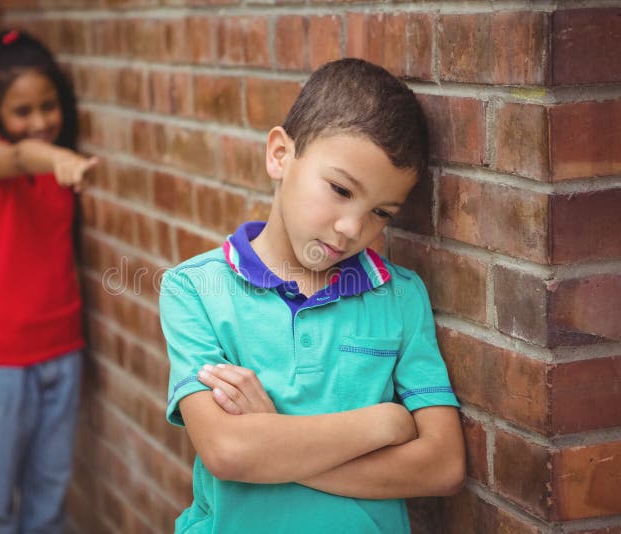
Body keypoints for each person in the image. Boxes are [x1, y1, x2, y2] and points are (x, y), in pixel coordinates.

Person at [159, 58, 465, 533]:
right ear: (280, 154)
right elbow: (228, 451)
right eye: (341, 189)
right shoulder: (195, 288)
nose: (352, 227)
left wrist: (271, 439)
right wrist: (383, 424)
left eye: (381, 212)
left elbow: (442, 466)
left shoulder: (400, 297)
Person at [0, 29, 96, 534]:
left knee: (48, 503)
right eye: (22, 112)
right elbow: (19, 158)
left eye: (48, 106)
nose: (39, 122)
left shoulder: (62, 170)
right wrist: (56, 158)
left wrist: (61, 161)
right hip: (0, 365)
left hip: (62, 353)